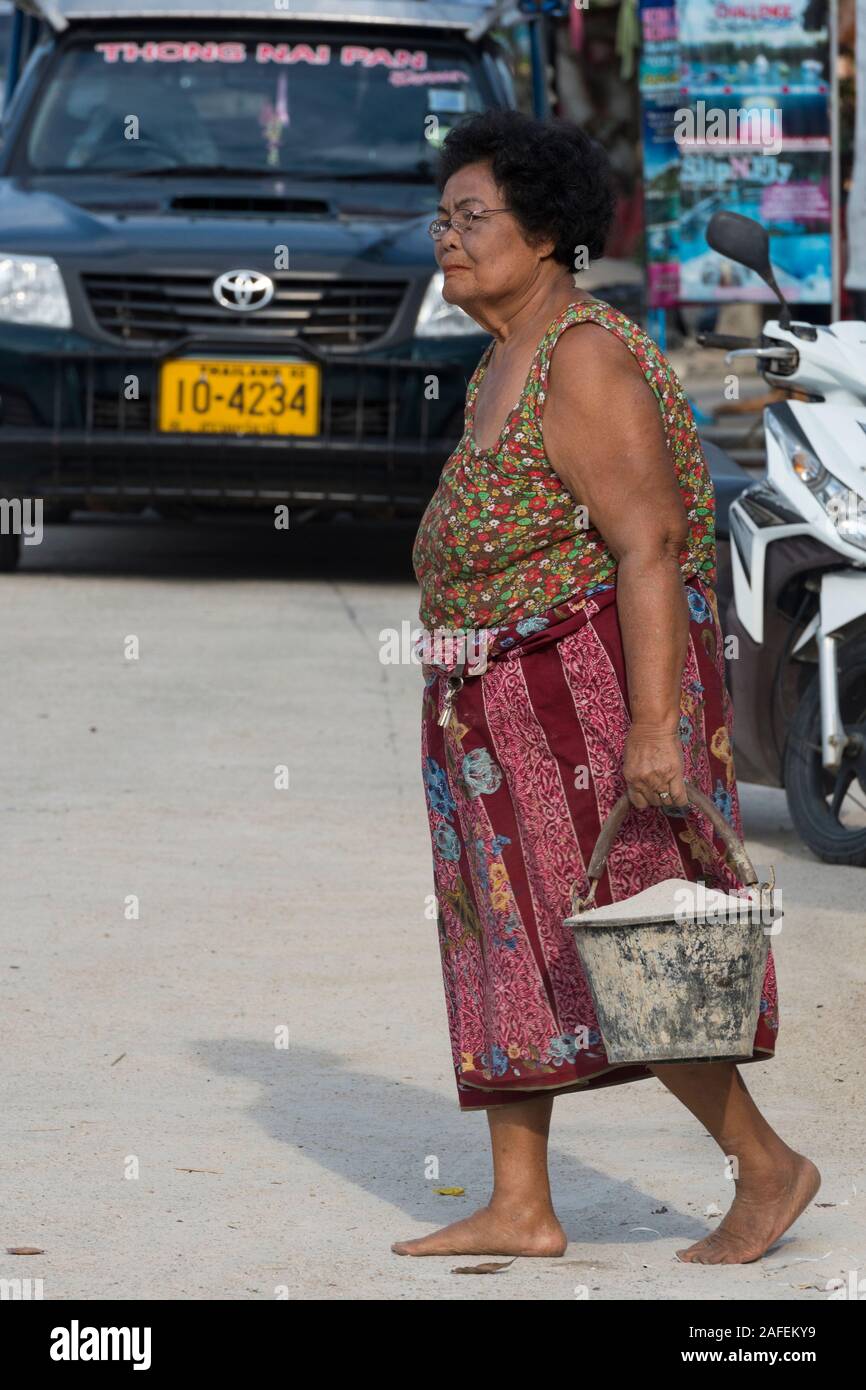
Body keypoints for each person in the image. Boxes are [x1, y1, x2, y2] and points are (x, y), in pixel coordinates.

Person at [395, 109, 820, 1265]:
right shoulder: (504, 354)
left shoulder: (580, 354)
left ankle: (767, 1166)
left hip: (579, 708)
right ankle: (521, 1205)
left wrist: (649, 731)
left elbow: (648, 543)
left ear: (542, 237)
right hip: (487, 710)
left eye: (472, 216)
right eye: (441, 215)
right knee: (503, 945)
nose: (447, 235)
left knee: (629, 945)